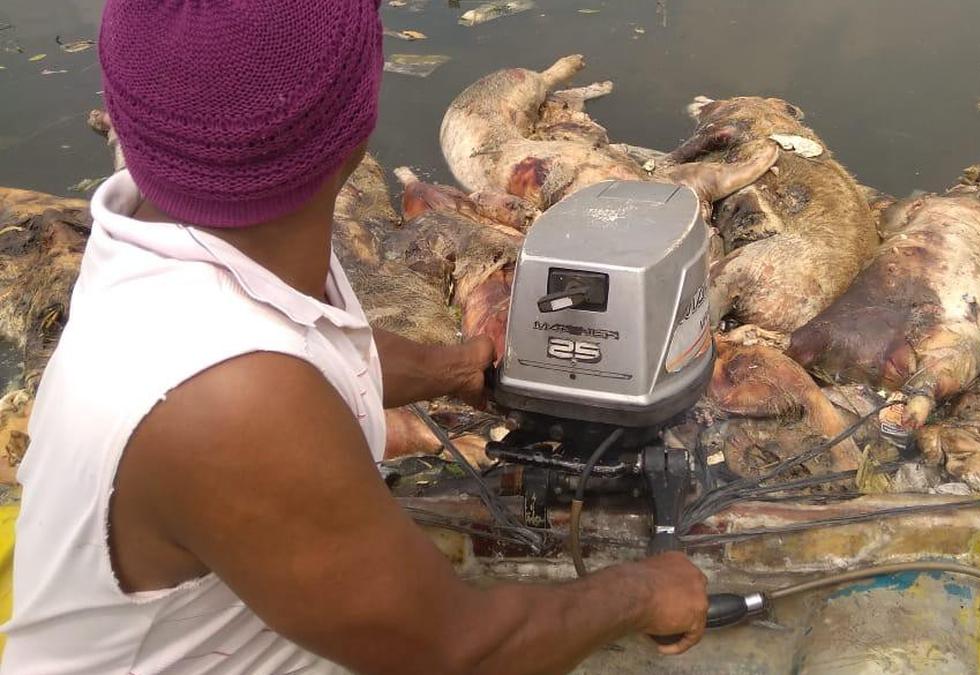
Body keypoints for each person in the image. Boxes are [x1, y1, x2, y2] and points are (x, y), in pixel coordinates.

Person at [0, 1, 708, 673]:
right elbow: (460, 651)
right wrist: (646, 591)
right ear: (358, 115)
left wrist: (461, 367)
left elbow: (311, 347)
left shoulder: (171, 219)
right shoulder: (230, 402)